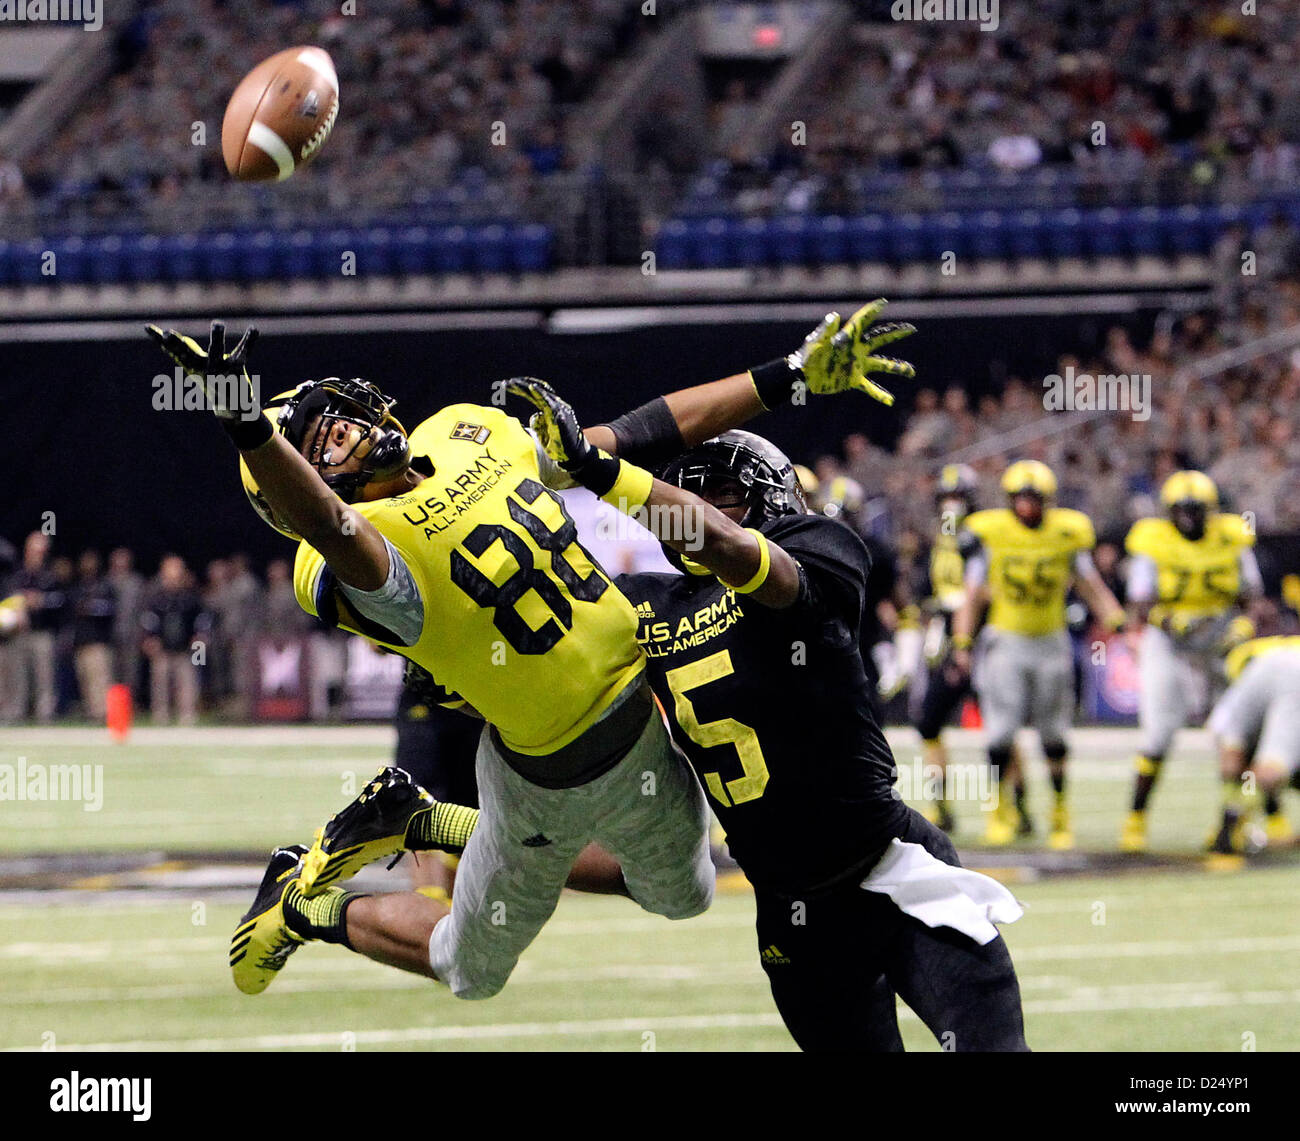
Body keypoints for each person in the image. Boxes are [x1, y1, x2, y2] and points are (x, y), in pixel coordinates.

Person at [144, 303, 915, 1001]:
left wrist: (787, 376)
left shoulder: (468, 431)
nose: (335, 435)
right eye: (316, 450)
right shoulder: (357, 556)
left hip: (642, 723)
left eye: (332, 421)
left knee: (688, 890)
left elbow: (640, 434)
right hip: (537, 773)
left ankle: (424, 820)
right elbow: (334, 531)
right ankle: (306, 901)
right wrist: (251, 430)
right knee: (467, 967)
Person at [479, 390, 1030, 1051]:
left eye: (723, 495)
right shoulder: (643, 607)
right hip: (790, 912)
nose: (702, 513)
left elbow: (736, 549)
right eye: (692, 497)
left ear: (770, 497)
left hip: (893, 875)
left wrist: (600, 468)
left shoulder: (822, 547)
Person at [952, 460, 1126, 849]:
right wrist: (962, 641)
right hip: (1006, 641)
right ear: (1010, 500)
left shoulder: (1067, 532)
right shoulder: (991, 532)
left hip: (1051, 640)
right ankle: (1001, 809)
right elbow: (972, 594)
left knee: (1054, 735)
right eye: (1021, 498)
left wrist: (1116, 621)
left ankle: (1060, 811)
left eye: (1034, 499)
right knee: (999, 733)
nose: (1027, 507)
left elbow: (1089, 582)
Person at [1119, 471, 1262, 852]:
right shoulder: (1152, 541)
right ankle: (1136, 819)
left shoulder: (1232, 537)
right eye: (1180, 510)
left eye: (1195, 509)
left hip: (1220, 642)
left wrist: (1244, 624)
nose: (1188, 517)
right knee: (1158, 735)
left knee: (1237, 733)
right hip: (1170, 643)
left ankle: (1237, 822)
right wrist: (1168, 619)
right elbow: (1139, 603)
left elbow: (1253, 596)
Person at [1205, 635, 1300, 855]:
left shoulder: (1248, 660)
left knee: (1240, 754)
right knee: (1273, 765)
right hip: (1293, 679)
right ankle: (1237, 815)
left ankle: (1231, 816)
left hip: (1255, 672)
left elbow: (1229, 745)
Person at [70, 550, 116, 721]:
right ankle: (91, 711)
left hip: (98, 640)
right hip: (81, 640)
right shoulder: (78, 586)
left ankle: (102, 712)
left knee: (100, 678)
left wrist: (89, 608)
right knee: (85, 678)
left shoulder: (104, 585)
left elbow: (109, 609)